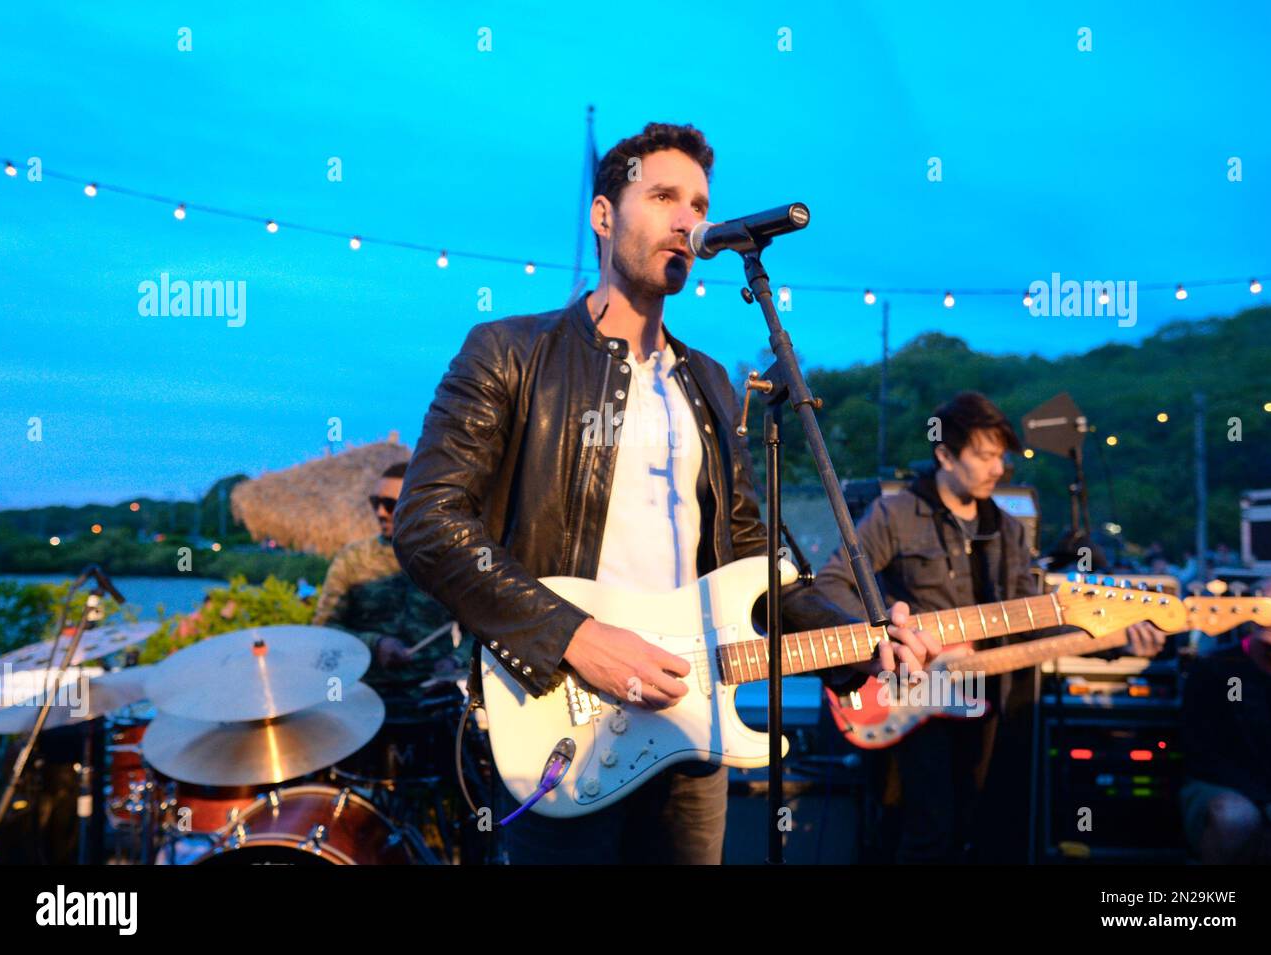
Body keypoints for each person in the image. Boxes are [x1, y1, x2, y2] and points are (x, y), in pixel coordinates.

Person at [391, 121, 936, 864]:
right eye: (664, 196)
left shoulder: (710, 382)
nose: (689, 219)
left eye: (700, 202)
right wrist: (575, 639)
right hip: (561, 719)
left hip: (694, 728)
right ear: (604, 215)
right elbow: (427, 523)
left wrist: (863, 643)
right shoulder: (511, 353)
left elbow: (750, 556)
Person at [813, 391, 1165, 863]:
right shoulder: (895, 515)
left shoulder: (1006, 529)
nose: (998, 468)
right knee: (924, 832)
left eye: (1001, 455)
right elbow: (834, 582)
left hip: (986, 695)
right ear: (944, 454)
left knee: (977, 830)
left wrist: (1117, 639)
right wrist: (881, 638)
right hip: (911, 694)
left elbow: (1035, 621)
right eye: (984, 455)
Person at [314, 462, 469, 705]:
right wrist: (375, 644)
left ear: (419, 504)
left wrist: (455, 661)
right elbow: (324, 629)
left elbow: (478, 630)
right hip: (366, 700)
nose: (380, 513)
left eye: (390, 504)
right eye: (375, 502)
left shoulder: (449, 561)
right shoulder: (352, 559)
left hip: (433, 700)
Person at [1180, 572, 1271, 863]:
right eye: (1263, 605)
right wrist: (1269, 805)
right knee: (1234, 818)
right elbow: (1201, 752)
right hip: (1224, 788)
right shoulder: (1215, 668)